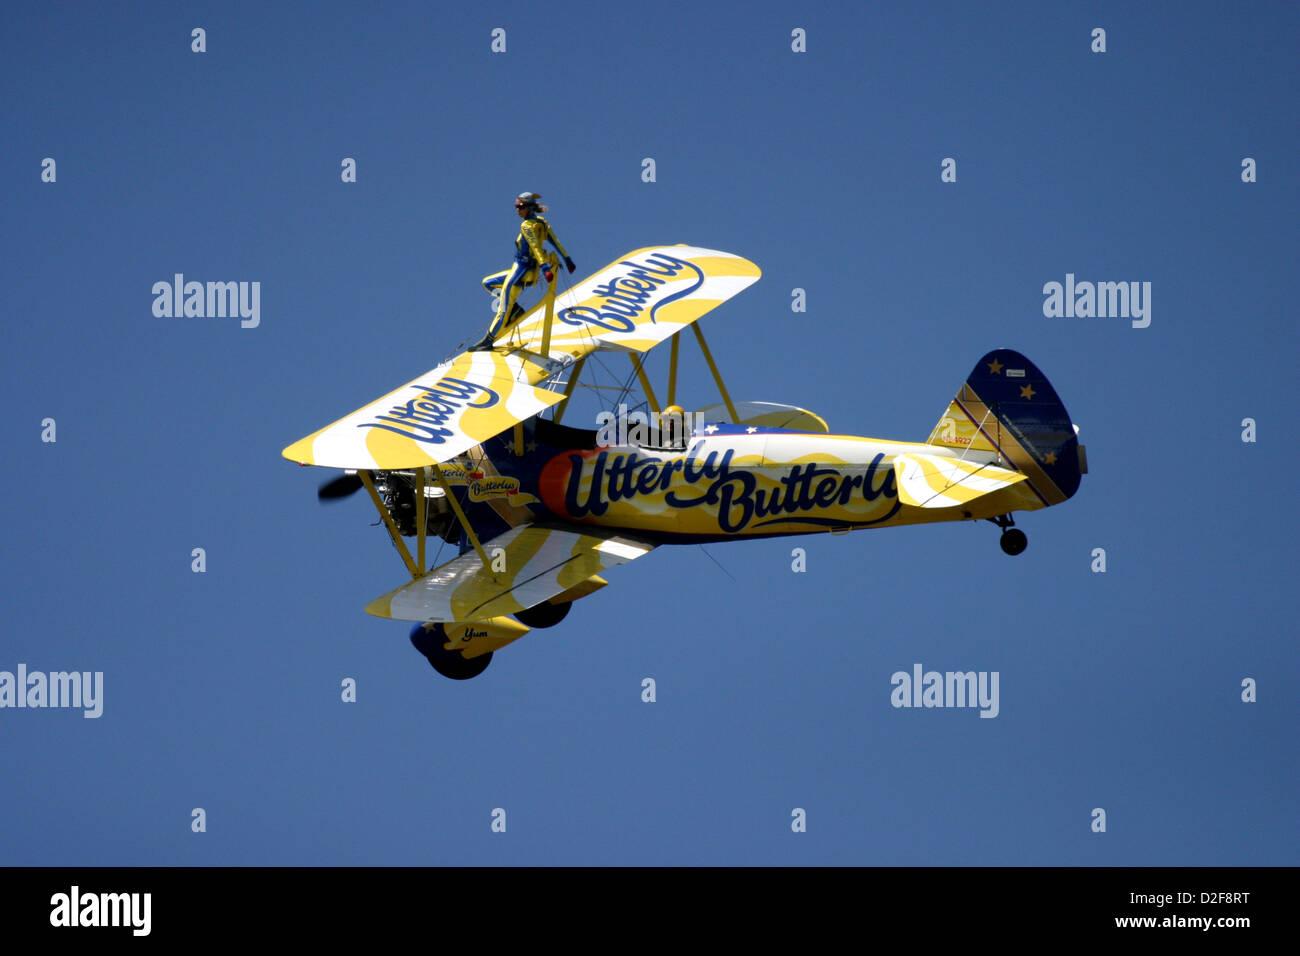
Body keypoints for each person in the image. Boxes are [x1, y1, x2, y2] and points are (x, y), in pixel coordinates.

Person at [472, 192, 576, 350]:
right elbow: (555, 242)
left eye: (520, 207)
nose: (517, 210)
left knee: (502, 309)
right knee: (488, 283)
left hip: (521, 271)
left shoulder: (527, 226)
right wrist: (567, 260)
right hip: (525, 270)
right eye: (516, 207)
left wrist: (546, 268)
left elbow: (536, 248)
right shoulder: (541, 222)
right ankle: (515, 310)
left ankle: (488, 340)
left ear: (528, 207)